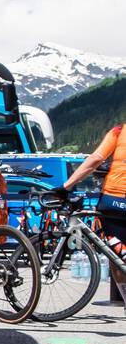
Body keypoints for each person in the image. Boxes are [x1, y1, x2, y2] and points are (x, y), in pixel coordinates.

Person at [58, 123, 126, 306]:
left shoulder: (119, 132)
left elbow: (96, 158)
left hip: (113, 201)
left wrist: (66, 186)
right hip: (114, 202)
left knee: (115, 256)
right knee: (116, 255)